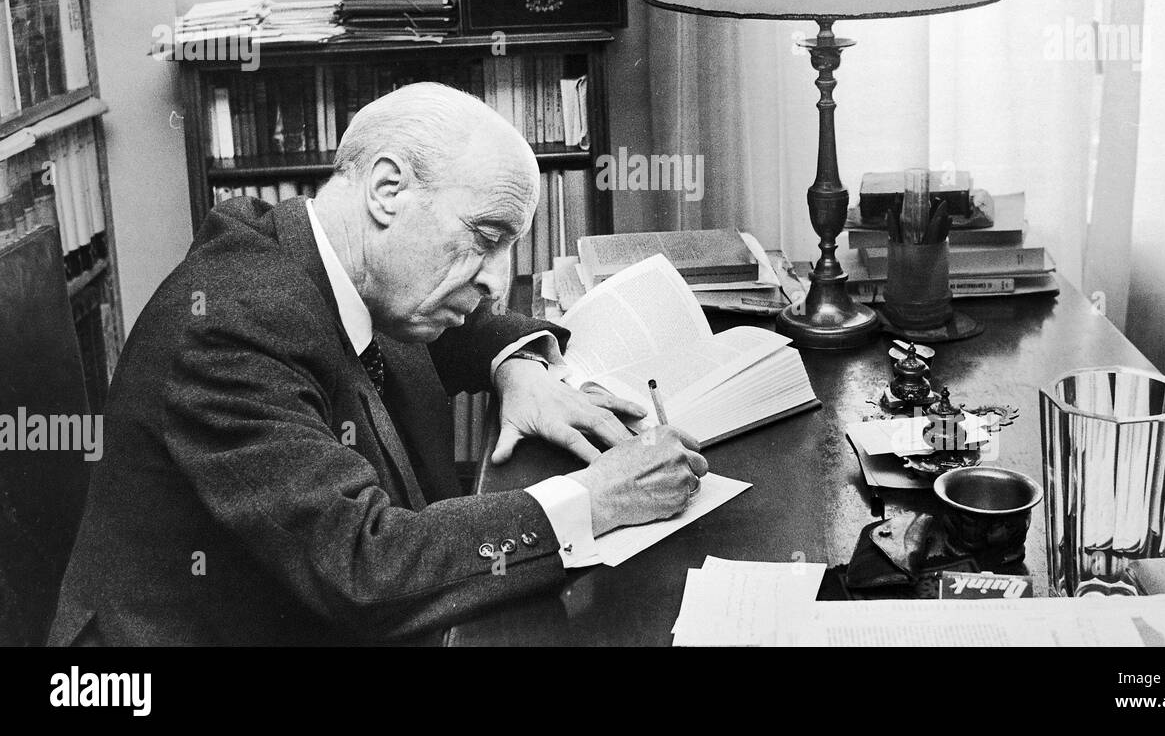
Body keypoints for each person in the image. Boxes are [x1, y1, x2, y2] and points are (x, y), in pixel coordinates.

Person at [48, 83, 707, 646]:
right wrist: (596, 499)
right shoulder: (231, 326)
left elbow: (457, 333)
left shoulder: (340, 263)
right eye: (486, 239)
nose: (496, 282)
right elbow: (363, 566)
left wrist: (520, 367)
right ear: (389, 190)